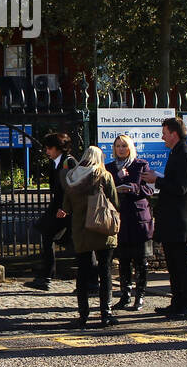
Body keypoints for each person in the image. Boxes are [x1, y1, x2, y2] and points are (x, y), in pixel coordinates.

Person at [143, 117, 187, 320]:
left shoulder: (185, 155)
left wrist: (156, 179)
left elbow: (180, 187)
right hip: (172, 222)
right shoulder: (177, 153)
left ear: (174, 134)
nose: (162, 137)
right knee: (174, 266)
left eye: (165, 133)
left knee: (184, 265)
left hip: (181, 222)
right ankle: (177, 303)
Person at [62, 146, 120, 328]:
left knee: (83, 273)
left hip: (81, 230)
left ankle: (83, 314)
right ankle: (106, 313)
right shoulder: (104, 175)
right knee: (105, 272)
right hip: (102, 228)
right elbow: (115, 201)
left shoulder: (71, 178)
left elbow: (66, 207)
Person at [106, 134, 154, 311]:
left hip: (139, 218)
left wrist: (132, 187)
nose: (120, 149)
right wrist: (118, 178)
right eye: (118, 146)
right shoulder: (109, 168)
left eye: (124, 146)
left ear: (130, 147)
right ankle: (125, 295)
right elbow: (105, 189)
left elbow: (150, 188)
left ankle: (139, 297)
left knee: (140, 260)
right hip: (121, 219)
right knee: (124, 260)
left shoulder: (141, 165)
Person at [26, 132, 77, 291]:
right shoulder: (55, 163)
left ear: (59, 148)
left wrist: (65, 207)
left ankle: (91, 279)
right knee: (48, 236)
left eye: (49, 147)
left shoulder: (69, 163)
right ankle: (46, 276)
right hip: (57, 208)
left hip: (66, 209)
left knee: (78, 243)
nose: (47, 150)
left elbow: (71, 188)